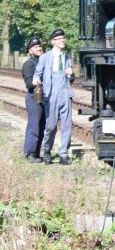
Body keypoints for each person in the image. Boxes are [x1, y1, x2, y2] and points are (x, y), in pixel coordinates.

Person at [32, 29, 73, 165]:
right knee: (50, 125)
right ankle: (47, 150)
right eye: (59, 38)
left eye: (63, 38)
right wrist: (36, 80)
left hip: (65, 93)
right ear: (53, 41)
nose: (62, 40)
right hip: (51, 93)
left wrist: (71, 74)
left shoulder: (67, 57)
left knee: (67, 125)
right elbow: (37, 73)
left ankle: (63, 153)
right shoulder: (45, 57)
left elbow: (70, 78)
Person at [20, 37, 45, 162]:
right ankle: (29, 153)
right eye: (36, 47)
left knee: (42, 126)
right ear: (30, 51)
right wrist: (37, 82)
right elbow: (28, 84)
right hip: (34, 97)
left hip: (44, 97)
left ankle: (36, 152)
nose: (39, 48)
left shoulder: (44, 62)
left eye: (40, 46)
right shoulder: (28, 64)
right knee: (34, 125)